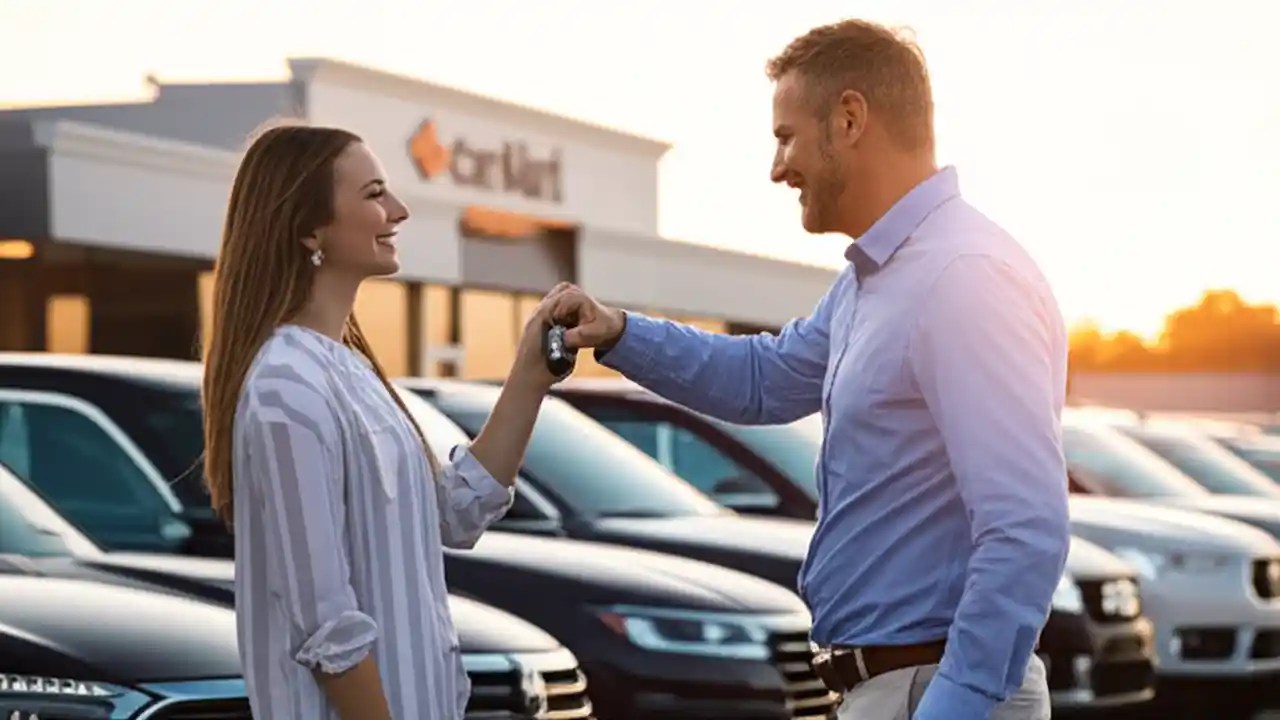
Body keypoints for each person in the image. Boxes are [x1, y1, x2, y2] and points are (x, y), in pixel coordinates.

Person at [547, 18, 1069, 720]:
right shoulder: (872, 281)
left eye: (785, 137)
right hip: (889, 689)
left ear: (850, 119)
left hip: (931, 693)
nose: (778, 168)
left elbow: (1026, 525)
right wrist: (619, 333)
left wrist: (957, 702)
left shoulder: (964, 277)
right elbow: (764, 379)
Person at [201, 123, 562, 720]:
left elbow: (456, 511)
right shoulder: (286, 387)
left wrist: (528, 375)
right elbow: (327, 625)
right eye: (373, 194)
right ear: (309, 228)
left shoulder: (352, 372)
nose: (398, 210)